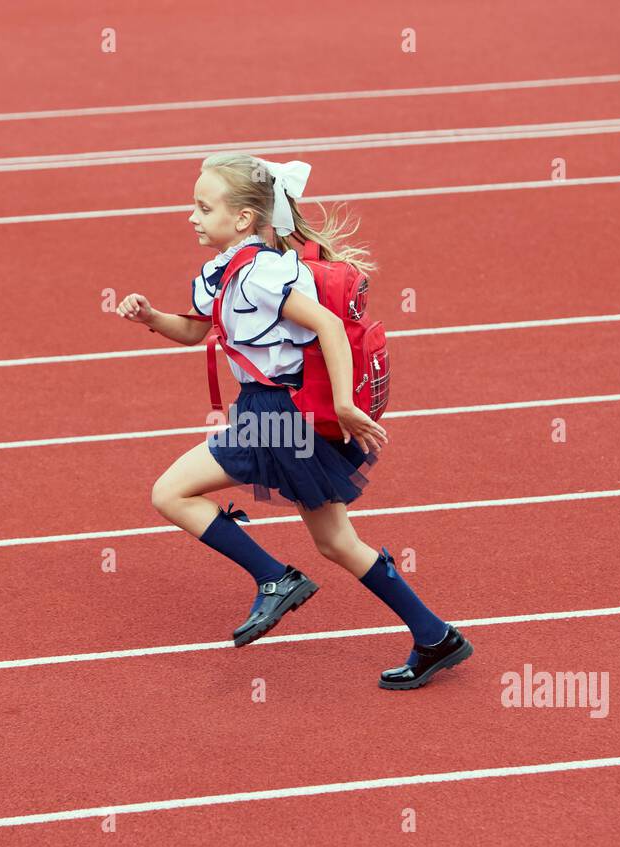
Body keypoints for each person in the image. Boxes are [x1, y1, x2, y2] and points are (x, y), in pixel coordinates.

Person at [117, 152, 472, 690]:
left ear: (241, 218)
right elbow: (195, 333)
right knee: (335, 542)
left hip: (278, 418)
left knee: (170, 493)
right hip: (279, 417)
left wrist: (348, 406)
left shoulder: (263, 273)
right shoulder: (229, 270)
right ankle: (435, 635)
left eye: (202, 206)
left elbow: (328, 326)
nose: (191, 216)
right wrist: (151, 319)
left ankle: (274, 578)